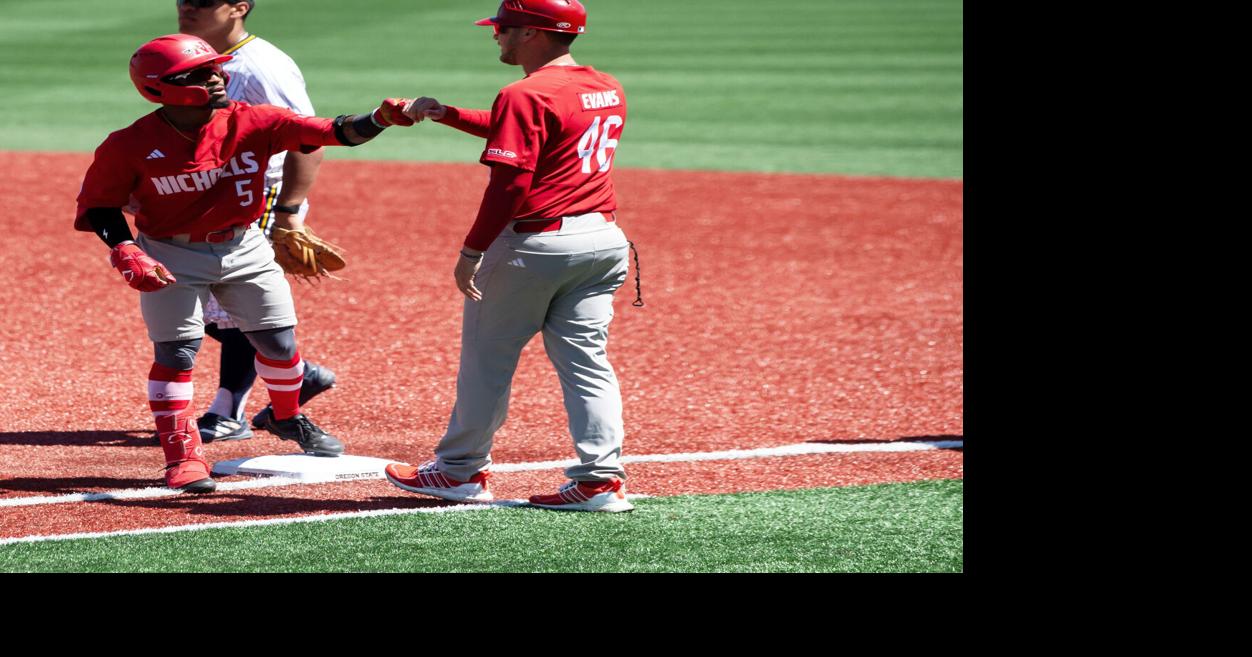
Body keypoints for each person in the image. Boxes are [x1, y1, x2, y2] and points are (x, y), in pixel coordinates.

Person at [76, 33, 414, 493]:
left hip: (245, 245)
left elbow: (333, 132)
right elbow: (99, 205)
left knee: (278, 343)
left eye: (216, 68)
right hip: (171, 252)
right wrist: (125, 248)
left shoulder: (255, 121)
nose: (216, 78)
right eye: (199, 74)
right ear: (159, 88)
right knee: (176, 352)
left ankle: (286, 415)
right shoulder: (129, 144)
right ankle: (183, 457)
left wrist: (380, 118)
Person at [384, 0, 636, 512]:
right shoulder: (605, 85)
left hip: (536, 246)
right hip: (604, 242)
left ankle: (459, 472)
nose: (495, 35)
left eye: (502, 28)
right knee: (587, 365)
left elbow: (512, 179)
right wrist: (447, 113)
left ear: (532, 33)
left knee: (487, 361)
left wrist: (471, 250)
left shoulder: (525, 92)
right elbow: (528, 134)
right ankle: (600, 481)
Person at [176, 0, 336, 443]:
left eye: (204, 1)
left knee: (236, 303)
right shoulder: (189, 54)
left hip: (264, 193)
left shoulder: (261, 66)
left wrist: (288, 213)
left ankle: (229, 410)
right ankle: (296, 374)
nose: (188, 7)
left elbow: (309, 137)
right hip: (217, 194)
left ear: (239, 8)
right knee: (202, 302)